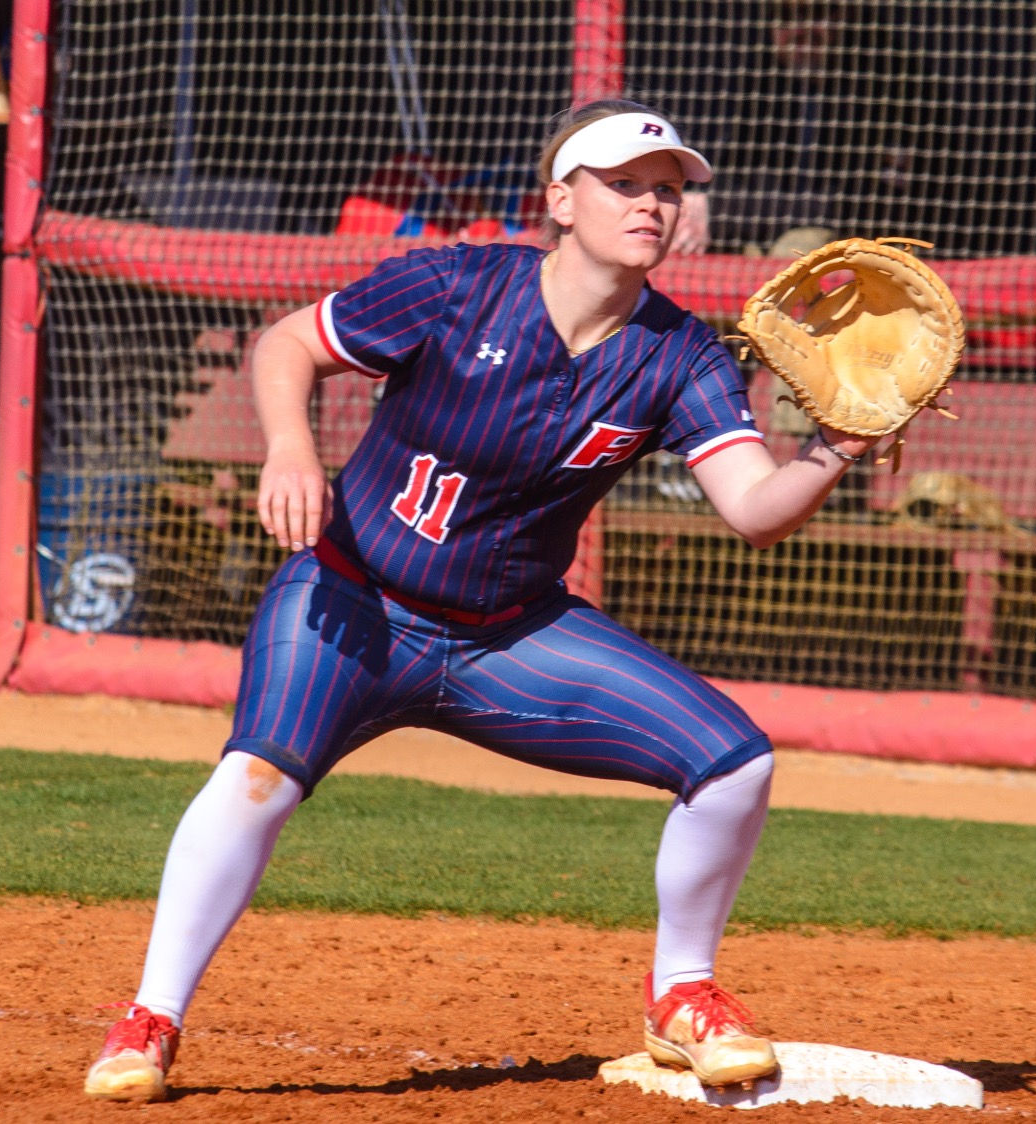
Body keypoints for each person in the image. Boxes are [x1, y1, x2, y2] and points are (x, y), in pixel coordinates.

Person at [82, 99, 881, 1103]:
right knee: (256, 773)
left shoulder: (683, 356)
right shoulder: (455, 283)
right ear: (560, 198)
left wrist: (834, 448)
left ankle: (680, 993)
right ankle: (148, 1017)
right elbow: (289, 341)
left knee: (733, 762)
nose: (651, 204)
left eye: (668, 189)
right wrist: (291, 444)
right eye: (624, 183)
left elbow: (753, 509)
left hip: (509, 634)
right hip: (351, 600)